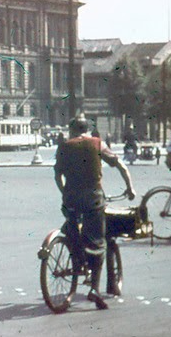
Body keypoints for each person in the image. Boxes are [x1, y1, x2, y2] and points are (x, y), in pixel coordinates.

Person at [54, 116, 136, 309]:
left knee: (72, 227)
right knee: (98, 243)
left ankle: (77, 257)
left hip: (71, 199)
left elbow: (57, 175)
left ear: (72, 130)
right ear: (88, 130)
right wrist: (130, 188)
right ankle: (94, 289)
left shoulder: (64, 146)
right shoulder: (97, 144)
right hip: (93, 198)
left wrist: (65, 193)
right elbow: (120, 166)